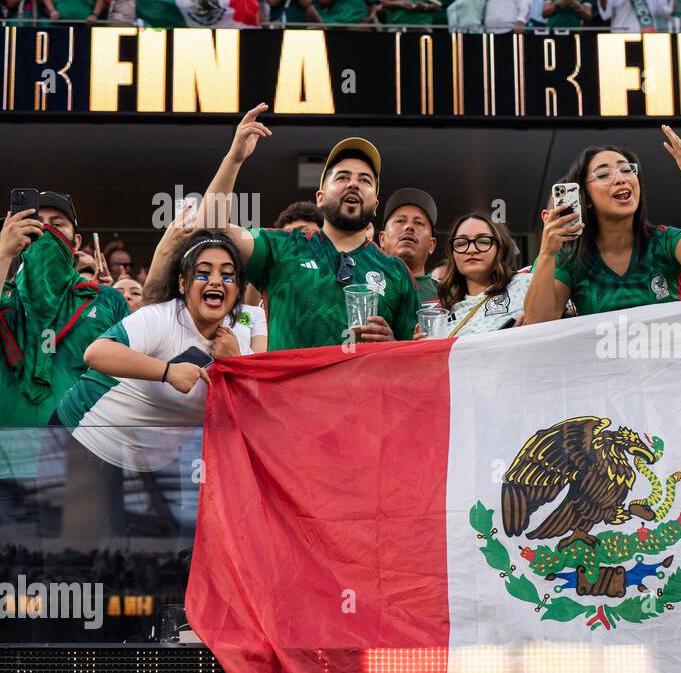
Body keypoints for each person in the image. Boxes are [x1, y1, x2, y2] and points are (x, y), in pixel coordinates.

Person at [149, 104, 417, 351]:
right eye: (343, 177)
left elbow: (414, 358)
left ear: (375, 204)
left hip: (362, 401)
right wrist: (234, 159)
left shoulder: (396, 273)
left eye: (365, 180)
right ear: (320, 198)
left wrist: (392, 344)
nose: (353, 184)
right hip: (288, 401)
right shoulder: (282, 246)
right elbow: (209, 227)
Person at [57, 232, 258, 473]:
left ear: (237, 290)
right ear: (183, 284)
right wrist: (167, 371)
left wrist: (235, 364)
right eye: (203, 273)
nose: (216, 281)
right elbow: (97, 353)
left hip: (152, 468)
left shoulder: (240, 344)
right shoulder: (161, 318)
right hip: (86, 439)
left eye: (227, 276)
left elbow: (252, 415)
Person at [525, 127, 681, 322]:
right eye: (604, 175)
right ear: (585, 198)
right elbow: (538, 321)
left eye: (627, 170)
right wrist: (546, 254)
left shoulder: (664, 241)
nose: (621, 179)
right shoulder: (570, 255)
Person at [0, 193, 128, 433]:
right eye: (37, 222)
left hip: (78, 457)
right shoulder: (5, 297)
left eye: (57, 225)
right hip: (7, 457)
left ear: (76, 242)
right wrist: (3, 253)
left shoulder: (108, 300)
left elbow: (128, 377)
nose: (47, 230)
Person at [432, 214, 531, 334]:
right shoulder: (443, 317)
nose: (471, 249)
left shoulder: (525, 285)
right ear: (453, 254)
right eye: (461, 243)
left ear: (501, 248)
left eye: (483, 241)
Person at [377, 188, 439, 304]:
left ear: (432, 245)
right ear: (382, 239)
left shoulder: (448, 295)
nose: (409, 227)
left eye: (419, 223)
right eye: (400, 221)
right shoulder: (362, 290)